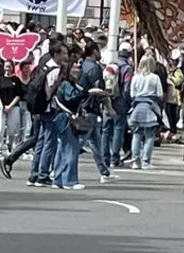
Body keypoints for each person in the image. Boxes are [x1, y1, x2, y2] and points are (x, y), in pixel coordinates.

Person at [0, 41, 69, 182]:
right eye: (64, 53)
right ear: (56, 54)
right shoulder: (55, 70)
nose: (66, 56)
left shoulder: (44, 66)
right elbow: (50, 92)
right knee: (48, 142)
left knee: (41, 141)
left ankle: (35, 174)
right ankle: (42, 175)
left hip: (40, 108)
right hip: (49, 108)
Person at [77, 42, 115, 183]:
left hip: (86, 106)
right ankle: (58, 169)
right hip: (90, 107)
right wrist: (109, 107)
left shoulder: (84, 66)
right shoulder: (94, 68)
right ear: (93, 51)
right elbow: (98, 90)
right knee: (79, 142)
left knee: (95, 142)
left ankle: (104, 171)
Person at [50, 60, 89, 190]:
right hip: (66, 118)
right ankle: (70, 180)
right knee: (71, 149)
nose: (78, 68)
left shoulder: (65, 84)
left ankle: (58, 178)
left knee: (62, 149)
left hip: (60, 118)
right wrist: (84, 95)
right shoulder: (66, 85)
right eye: (76, 66)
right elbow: (70, 99)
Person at [129, 55, 164, 169]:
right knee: (150, 135)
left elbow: (132, 94)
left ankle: (135, 160)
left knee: (137, 134)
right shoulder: (155, 78)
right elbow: (159, 94)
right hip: (150, 105)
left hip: (137, 105)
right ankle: (145, 160)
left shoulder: (135, 77)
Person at [109, 43, 135, 168]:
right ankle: (115, 157)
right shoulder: (127, 68)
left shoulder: (112, 64)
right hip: (120, 101)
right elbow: (127, 86)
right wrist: (128, 101)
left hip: (108, 99)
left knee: (106, 129)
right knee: (118, 128)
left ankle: (105, 156)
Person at [0, 59, 27, 159]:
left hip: (13, 107)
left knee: (12, 129)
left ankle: (9, 146)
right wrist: (1, 105)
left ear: (12, 67)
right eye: (6, 66)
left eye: (9, 66)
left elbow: (19, 95)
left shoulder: (16, 80)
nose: (7, 69)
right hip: (1, 106)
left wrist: (10, 106)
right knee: (0, 128)